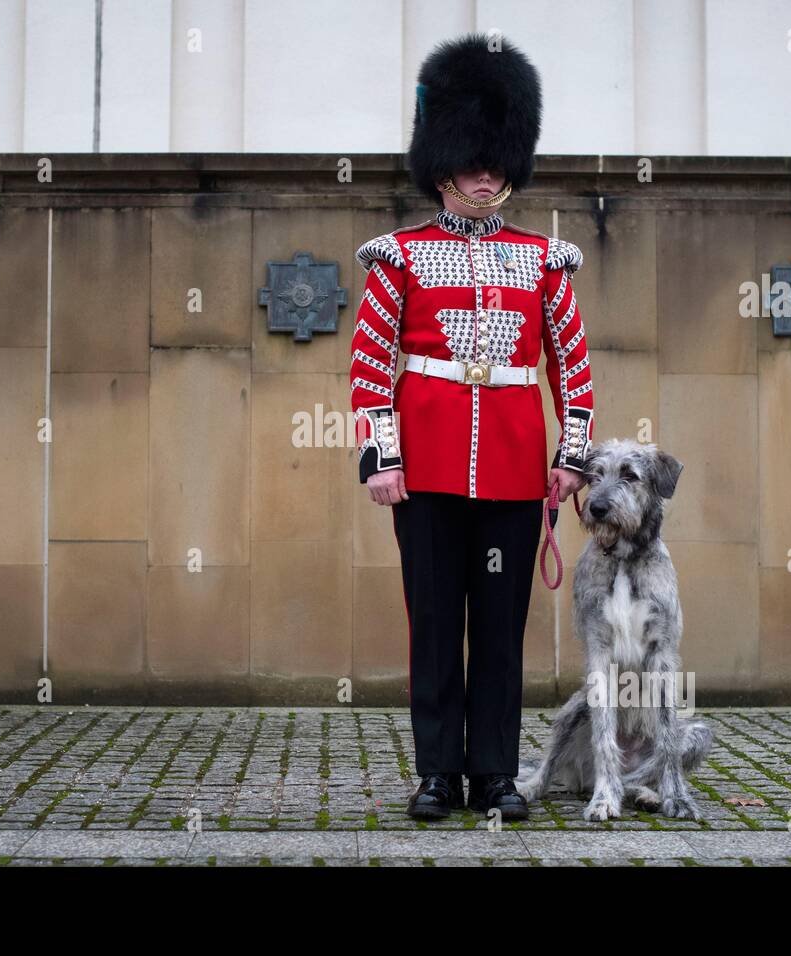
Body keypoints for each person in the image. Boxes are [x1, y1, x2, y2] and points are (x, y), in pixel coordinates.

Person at [349, 32, 595, 820]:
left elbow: (573, 366)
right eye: (471, 159)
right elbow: (368, 365)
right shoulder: (402, 258)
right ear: (442, 163)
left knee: (498, 627)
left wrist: (574, 456)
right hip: (425, 470)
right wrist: (381, 459)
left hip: (517, 472)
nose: (485, 174)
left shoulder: (544, 260)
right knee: (433, 626)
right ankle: (436, 774)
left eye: (496, 161)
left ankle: (493, 773)